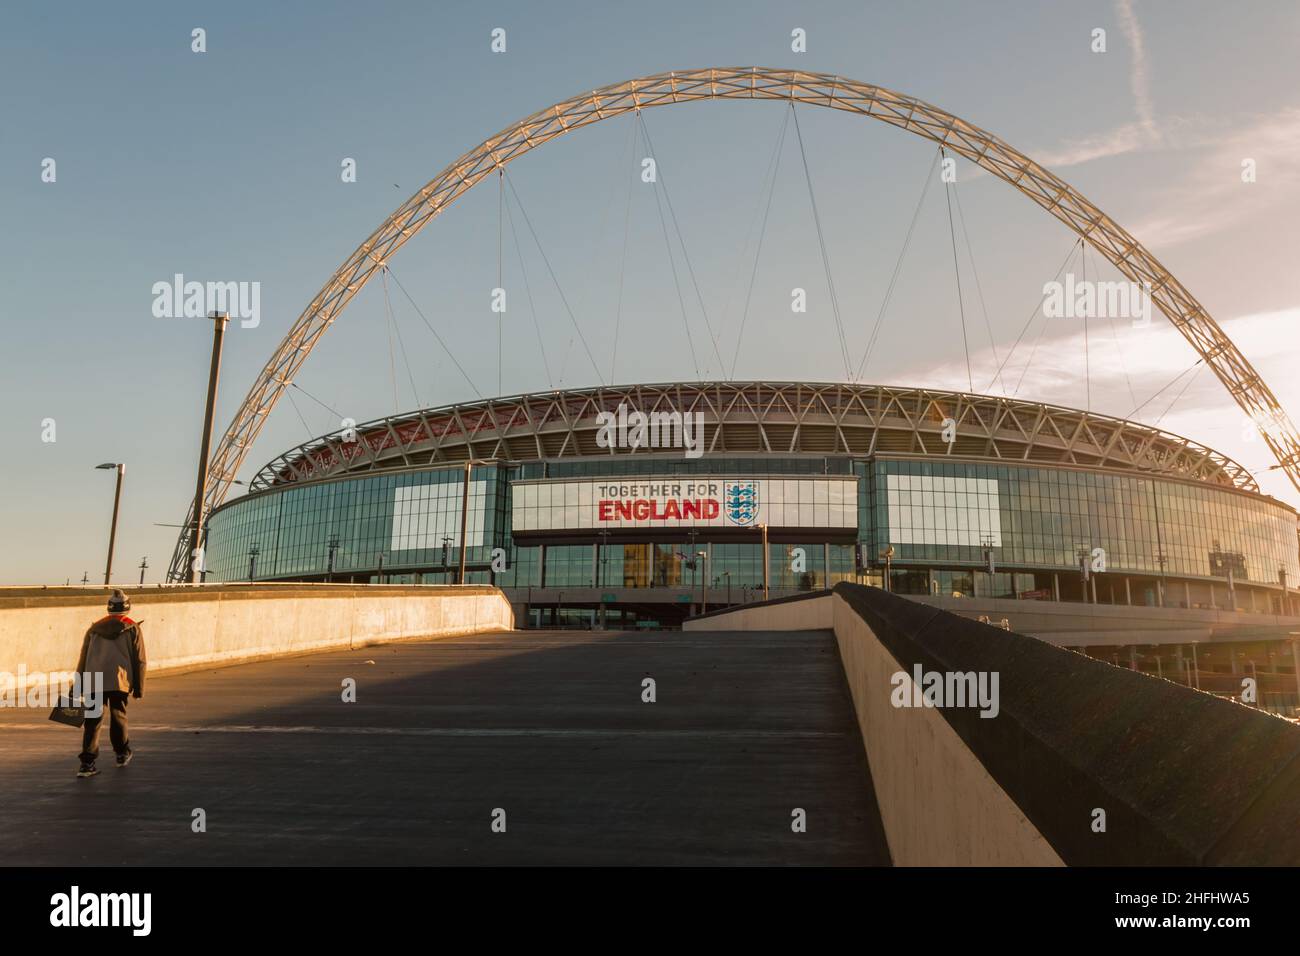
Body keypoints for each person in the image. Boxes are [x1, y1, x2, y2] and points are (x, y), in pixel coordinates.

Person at [74, 589, 147, 778]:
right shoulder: (132, 628)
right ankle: (122, 753)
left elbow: (83, 657)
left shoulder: (94, 628)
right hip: (118, 679)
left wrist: (79, 683)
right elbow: (140, 660)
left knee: (92, 721)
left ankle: (87, 764)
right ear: (128, 607)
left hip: (94, 679)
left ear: (109, 608)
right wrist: (139, 687)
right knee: (118, 716)